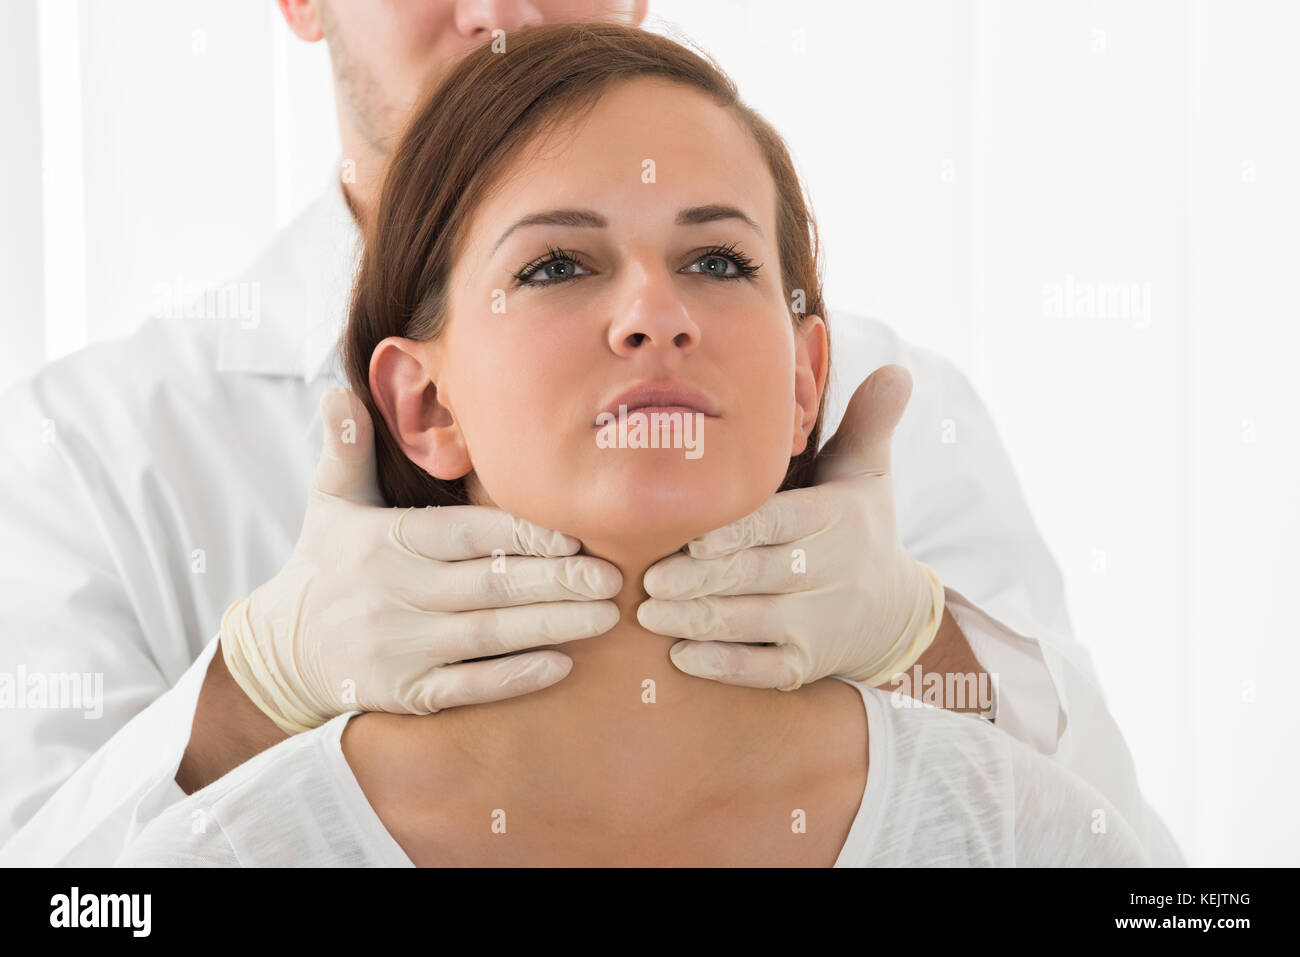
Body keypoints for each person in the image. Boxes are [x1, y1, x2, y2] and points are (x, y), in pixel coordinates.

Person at [0, 0, 1181, 866]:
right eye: (556, 265)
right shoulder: (100, 441)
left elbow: (1131, 851)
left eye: (716, 260)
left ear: (808, 382)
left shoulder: (886, 395)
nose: (503, 15)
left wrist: (922, 644)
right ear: (418, 401)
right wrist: (253, 690)